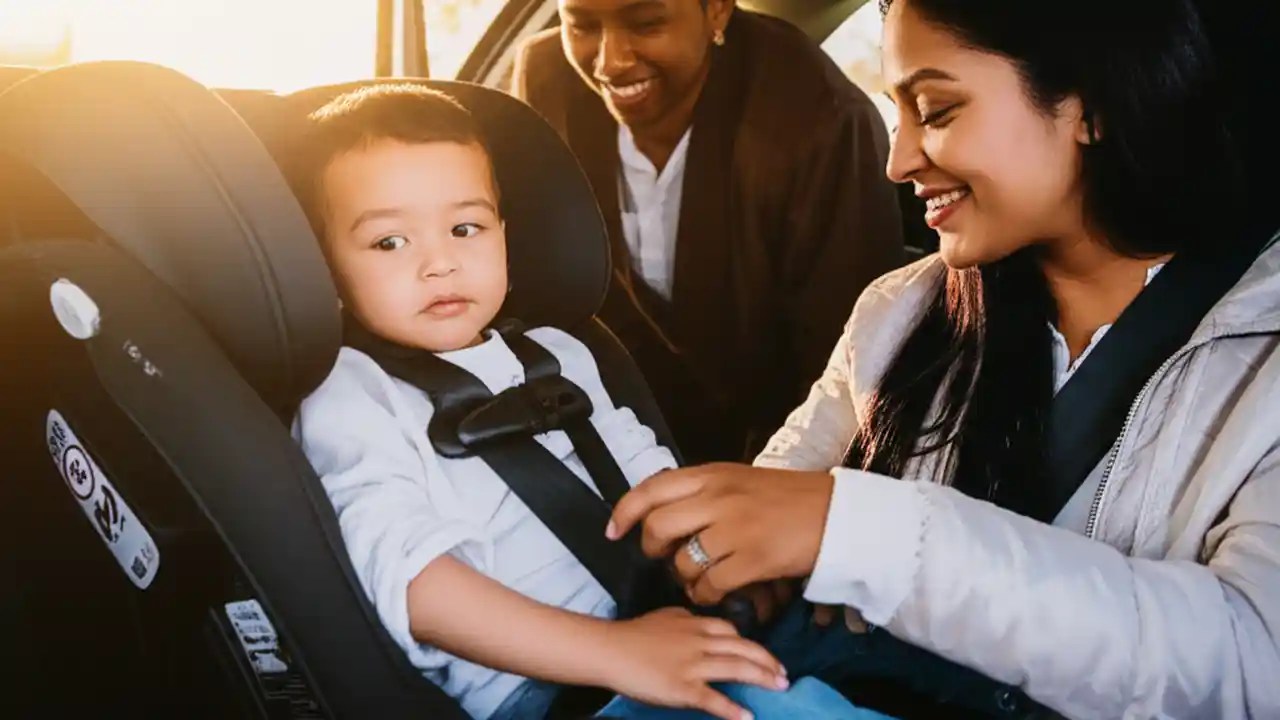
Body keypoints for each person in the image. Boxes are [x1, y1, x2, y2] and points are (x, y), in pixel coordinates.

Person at [604, 0, 1280, 717]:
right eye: (897, 113)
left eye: (936, 110)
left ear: (1092, 105)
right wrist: (740, 570)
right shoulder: (902, 311)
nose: (898, 161)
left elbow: (1251, 666)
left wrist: (869, 537)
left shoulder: (1257, 344)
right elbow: (782, 492)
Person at [289, 84, 890, 720]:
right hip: (551, 688)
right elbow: (412, 583)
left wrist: (717, 559)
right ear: (327, 267)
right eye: (389, 242)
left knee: (882, 627)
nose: (440, 262)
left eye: (465, 228)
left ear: (504, 237)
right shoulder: (350, 394)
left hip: (671, 622)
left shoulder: (560, 353)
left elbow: (644, 472)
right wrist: (617, 652)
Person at [511, 0, 905, 464]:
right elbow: (543, 293)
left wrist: (756, 494)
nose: (609, 61)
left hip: (774, 450)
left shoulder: (819, 119)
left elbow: (847, 367)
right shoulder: (546, 80)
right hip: (609, 436)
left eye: (646, 24)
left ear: (716, 11)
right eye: (581, 25)